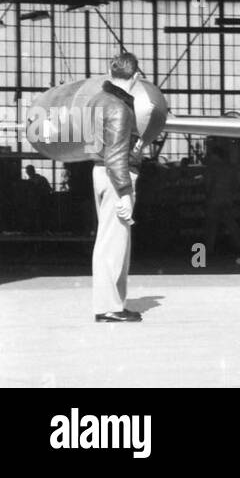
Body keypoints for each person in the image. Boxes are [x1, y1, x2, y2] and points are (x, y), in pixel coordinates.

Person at [87, 52, 144, 322]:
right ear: (134, 76)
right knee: (114, 244)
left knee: (109, 241)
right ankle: (108, 307)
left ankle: (113, 303)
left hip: (100, 172)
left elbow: (103, 145)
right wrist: (124, 193)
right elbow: (116, 154)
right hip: (116, 177)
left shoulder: (97, 100)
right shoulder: (120, 108)